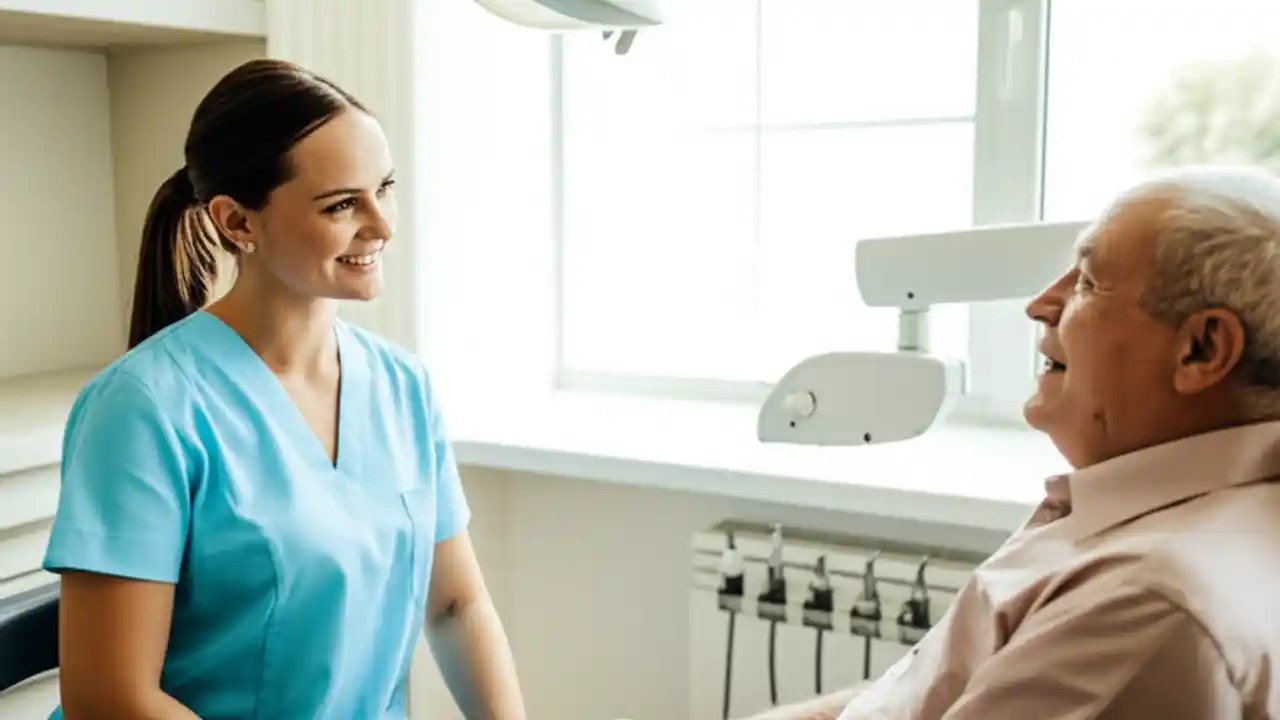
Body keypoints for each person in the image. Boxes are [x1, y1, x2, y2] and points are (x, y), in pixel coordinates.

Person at [41, 59, 526, 719]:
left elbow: (455, 604)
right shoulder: (142, 409)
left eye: (384, 188)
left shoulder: (402, 386)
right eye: (341, 204)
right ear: (238, 223)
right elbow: (110, 699)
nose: (381, 225)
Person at [749, 165, 1280, 720]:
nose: (1040, 304)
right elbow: (922, 696)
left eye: (1087, 283)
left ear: (1201, 349)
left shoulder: (1140, 607)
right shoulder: (1160, 523)